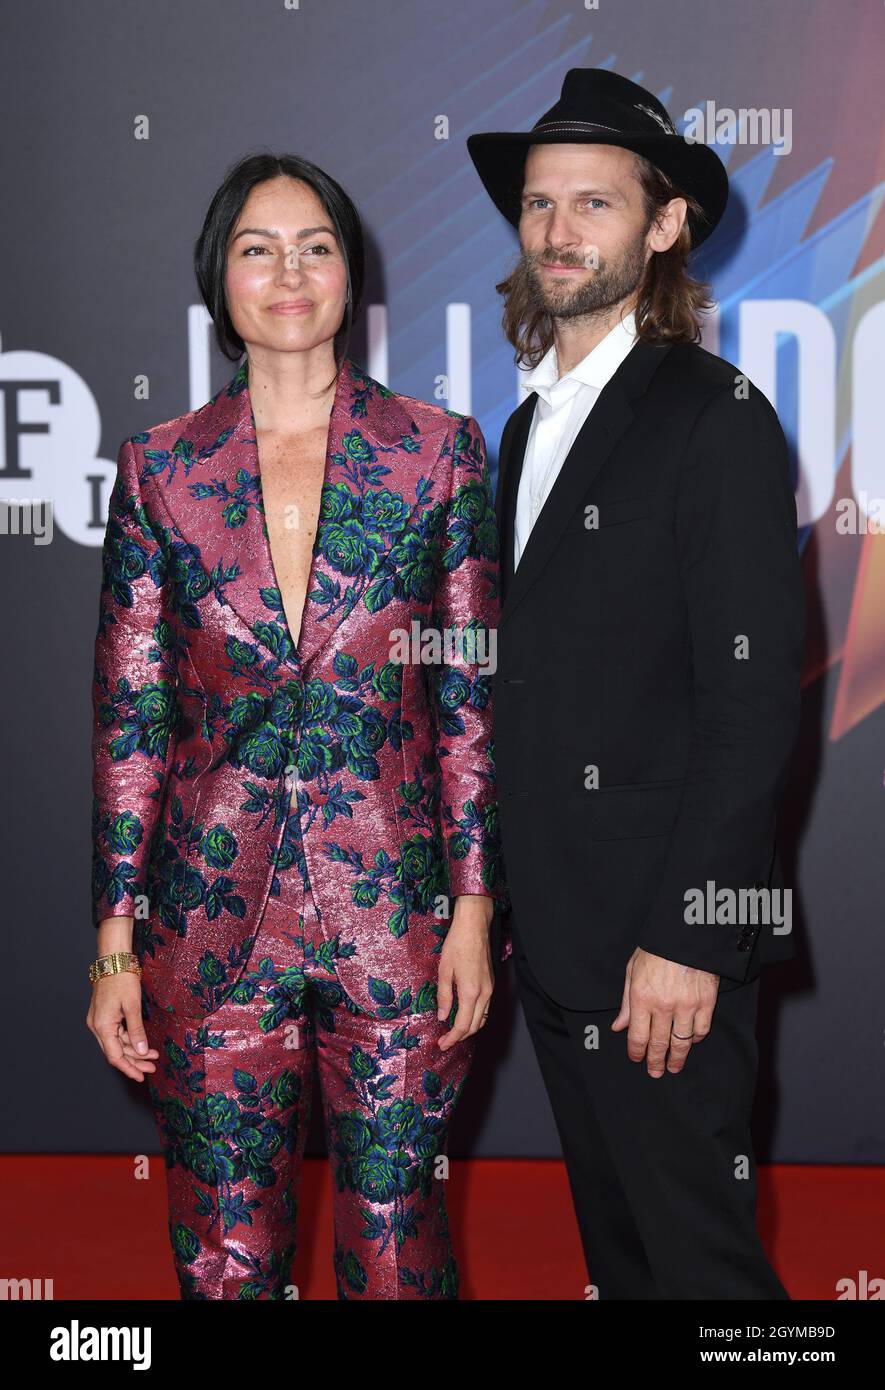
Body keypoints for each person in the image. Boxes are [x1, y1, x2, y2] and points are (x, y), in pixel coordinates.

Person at [86, 152, 506, 1300]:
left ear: (350, 274)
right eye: (257, 248)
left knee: (398, 1241)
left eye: (315, 246)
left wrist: (474, 908)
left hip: (399, 915)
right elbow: (132, 719)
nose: (288, 272)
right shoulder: (161, 471)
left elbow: (472, 705)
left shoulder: (438, 453)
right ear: (217, 280)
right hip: (211, 917)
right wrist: (114, 942)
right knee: (226, 1253)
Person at [468, 68, 804, 1299]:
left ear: (663, 227)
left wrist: (691, 935)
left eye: (595, 204)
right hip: (557, 944)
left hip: (665, 957)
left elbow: (755, 699)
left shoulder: (716, 416)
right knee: (626, 1269)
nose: (557, 230)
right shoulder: (525, 427)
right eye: (540, 203)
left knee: (710, 1279)